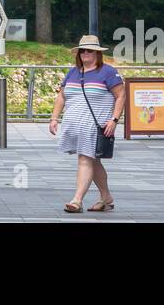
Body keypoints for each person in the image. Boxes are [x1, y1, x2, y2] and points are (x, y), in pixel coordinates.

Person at [49, 34, 126, 213]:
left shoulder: (107, 71)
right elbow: (61, 95)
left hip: (95, 125)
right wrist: (54, 118)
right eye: (82, 50)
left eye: (89, 50)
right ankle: (106, 198)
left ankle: (76, 200)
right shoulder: (73, 72)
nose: (85, 53)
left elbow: (121, 95)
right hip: (75, 125)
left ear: (97, 53)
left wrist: (114, 119)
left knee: (85, 159)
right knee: (94, 161)